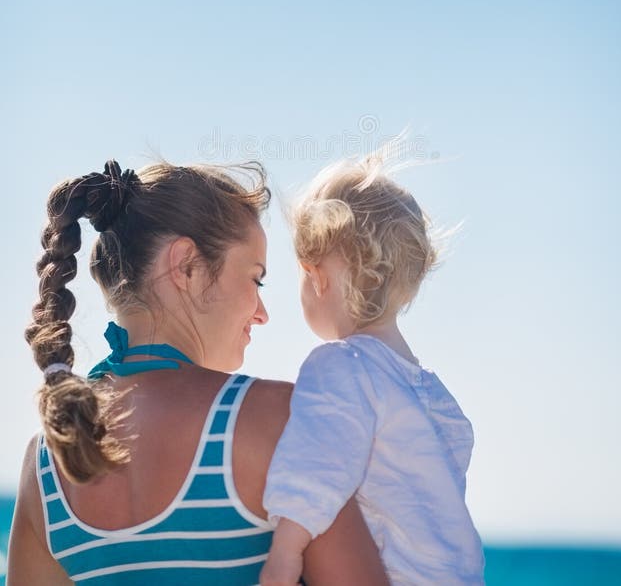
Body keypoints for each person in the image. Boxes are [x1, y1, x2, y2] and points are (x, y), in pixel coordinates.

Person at [7, 158, 390, 586]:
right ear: (186, 266)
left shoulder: (48, 461)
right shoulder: (276, 420)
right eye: (255, 279)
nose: (261, 313)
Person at [260, 151, 486, 586]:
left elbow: (318, 462)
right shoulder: (434, 397)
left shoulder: (343, 365)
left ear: (316, 276)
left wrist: (284, 554)